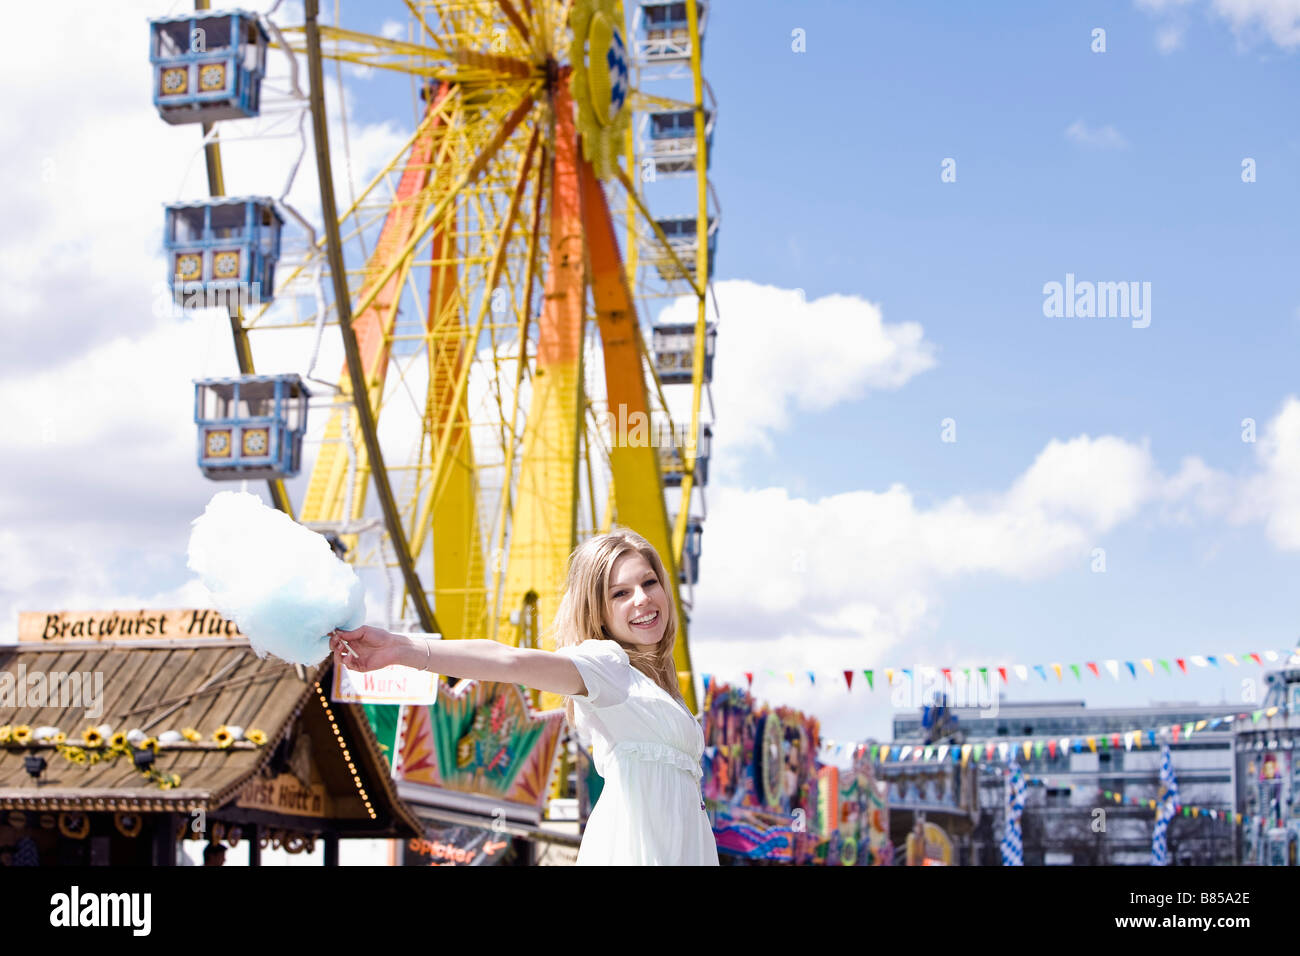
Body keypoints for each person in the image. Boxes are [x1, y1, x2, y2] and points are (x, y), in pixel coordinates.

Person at [331, 527, 719, 866]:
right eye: (620, 593)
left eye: (649, 583)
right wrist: (405, 649)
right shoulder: (608, 665)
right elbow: (510, 661)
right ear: (599, 613)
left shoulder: (654, 685)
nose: (642, 599)